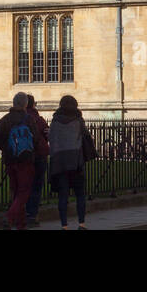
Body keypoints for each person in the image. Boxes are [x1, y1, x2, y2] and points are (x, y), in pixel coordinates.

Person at [0, 92, 44, 230]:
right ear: (26, 104)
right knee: (24, 192)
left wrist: (8, 148)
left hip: (10, 161)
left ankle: (21, 225)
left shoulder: (5, 119)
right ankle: (9, 217)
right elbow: (36, 139)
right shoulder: (28, 119)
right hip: (25, 161)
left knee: (15, 191)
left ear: (14, 103)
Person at [48, 95, 94, 229]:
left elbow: (51, 138)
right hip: (76, 161)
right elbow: (86, 136)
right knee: (80, 194)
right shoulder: (78, 120)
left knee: (63, 195)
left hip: (60, 162)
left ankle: (64, 225)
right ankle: (82, 223)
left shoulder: (55, 121)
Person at [24, 93, 52, 226]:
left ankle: (20, 213)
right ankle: (31, 216)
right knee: (36, 186)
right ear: (33, 104)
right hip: (39, 156)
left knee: (23, 186)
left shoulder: (18, 118)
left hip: (23, 156)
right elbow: (47, 134)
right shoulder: (38, 118)